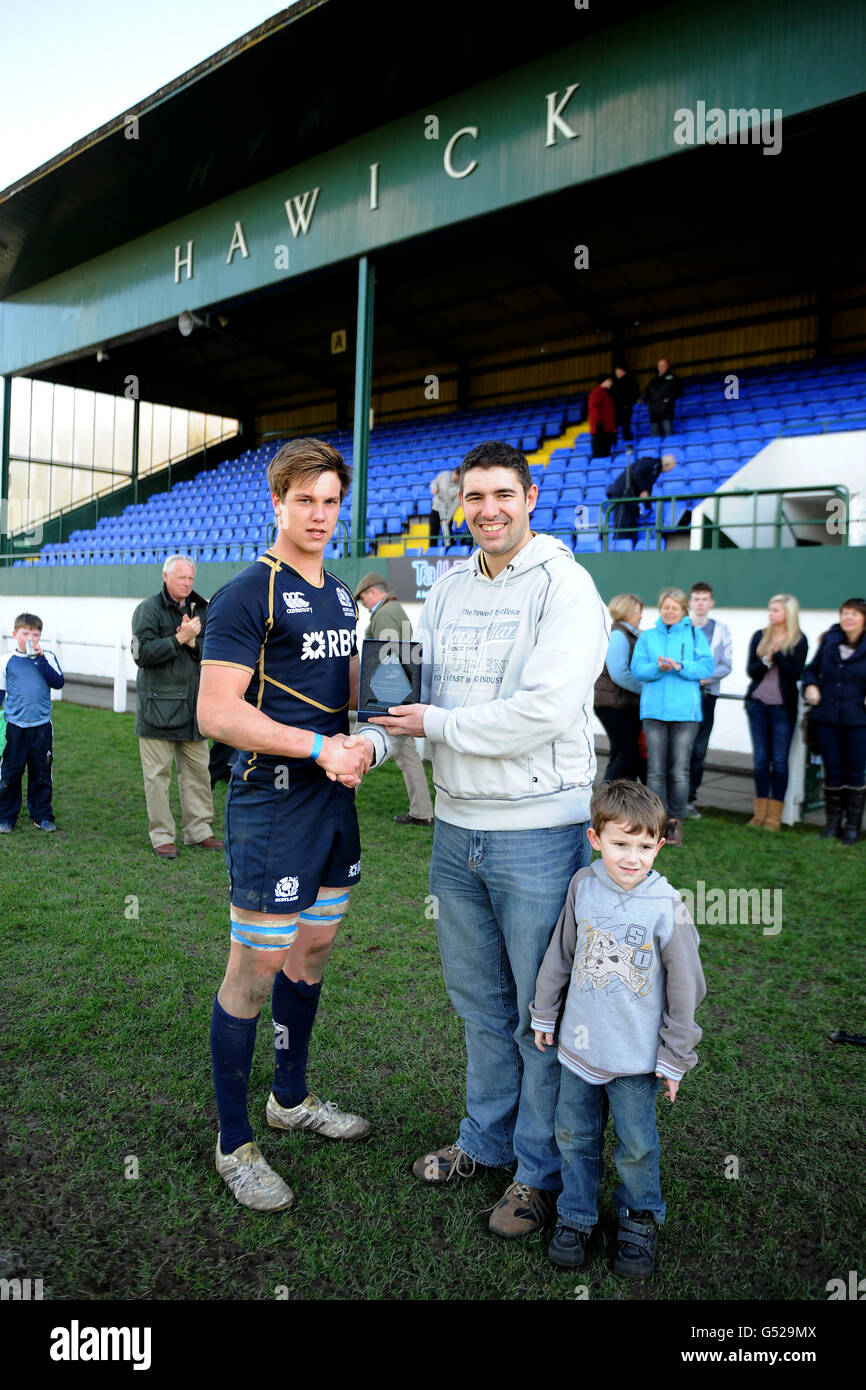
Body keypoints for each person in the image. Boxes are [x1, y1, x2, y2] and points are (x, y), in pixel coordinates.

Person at [364, 440, 609, 1239]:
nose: (488, 510)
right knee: (479, 1007)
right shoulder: (449, 587)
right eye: (474, 497)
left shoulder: (568, 587)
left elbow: (540, 711)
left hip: (538, 831)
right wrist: (363, 745)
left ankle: (538, 1175)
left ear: (531, 496)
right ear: (459, 504)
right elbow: (411, 691)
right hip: (456, 827)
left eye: (503, 494)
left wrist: (432, 724)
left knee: (541, 1014)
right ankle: (486, 1142)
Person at [198, 437, 379, 1213]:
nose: (318, 514)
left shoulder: (342, 596)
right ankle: (234, 1142)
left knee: (315, 949)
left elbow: (346, 696)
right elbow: (217, 711)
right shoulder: (249, 594)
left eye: (330, 501)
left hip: (333, 803)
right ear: (276, 503)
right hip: (273, 801)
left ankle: (291, 1099)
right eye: (303, 499)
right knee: (257, 966)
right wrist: (316, 746)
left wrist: (366, 738)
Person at [530, 780, 705, 1277]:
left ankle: (637, 1219)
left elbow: (687, 988)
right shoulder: (582, 885)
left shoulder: (667, 905)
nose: (632, 857)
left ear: (660, 845)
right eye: (620, 843)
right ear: (594, 838)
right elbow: (561, 953)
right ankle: (576, 1216)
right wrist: (545, 1012)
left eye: (644, 846)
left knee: (636, 1146)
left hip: (636, 1059)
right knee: (574, 1135)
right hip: (579, 1051)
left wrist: (676, 1057)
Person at [131, 555, 223, 859]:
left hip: (194, 710)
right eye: (181, 577)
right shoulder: (147, 610)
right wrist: (177, 639)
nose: (187, 583)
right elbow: (141, 654)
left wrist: (193, 642)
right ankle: (161, 836)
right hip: (156, 710)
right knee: (157, 776)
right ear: (165, 576)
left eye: (190, 578)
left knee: (198, 773)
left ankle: (199, 831)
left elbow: (214, 652)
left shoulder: (203, 609)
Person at [630, 588, 713, 846]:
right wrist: (658, 668)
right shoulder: (648, 636)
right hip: (654, 712)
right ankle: (656, 821)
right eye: (666, 607)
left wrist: (680, 666)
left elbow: (707, 667)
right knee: (655, 771)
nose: (669, 611)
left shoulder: (694, 634)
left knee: (678, 770)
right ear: (660, 608)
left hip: (685, 713)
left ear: (683, 610)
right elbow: (636, 669)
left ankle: (675, 822)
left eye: (674, 607)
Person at [354, 572, 434, 826]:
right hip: (397, 694)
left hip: (384, 697)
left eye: (363, 598)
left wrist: (376, 697)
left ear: (373, 592)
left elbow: (385, 658)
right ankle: (422, 811)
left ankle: (338, 804)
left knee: (357, 745)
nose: (363, 603)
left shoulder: (386, 613)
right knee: (407, 753)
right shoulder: (395, 609)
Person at [802, 597, 866, 845]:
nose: (848, 617)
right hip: (827, 717)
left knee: (854, 773)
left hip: (858, 720)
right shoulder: (830, 640)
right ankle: (832, 824)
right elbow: (811, 669)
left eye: (855, 614)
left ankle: (852, 828)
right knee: (833, 770)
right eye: (845, 613)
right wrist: (810, 685)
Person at [744, 594, 808, 832]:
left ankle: (774, 816)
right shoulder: (760, 636)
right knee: (761, 760)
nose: (771, 614)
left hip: (783, 708)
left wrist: (779, 654)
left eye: (776, 610)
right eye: (770, 609)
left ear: (787, 613)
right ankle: (759, 813)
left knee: (779, 761)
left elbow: (794, 673)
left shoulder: (799, 640)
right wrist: (766, 660)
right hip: (758, 704)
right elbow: (751, 671)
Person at [0, 612, 64, 833]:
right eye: (25, 633)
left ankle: (42, 815)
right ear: (15, 634)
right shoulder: (6, 661)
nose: (29, 638)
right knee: (10, 773)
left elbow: (58, 682)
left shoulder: (47, 657)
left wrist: (39, 659)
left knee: (41, 773)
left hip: (41, 727)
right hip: (15, 728)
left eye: (35, 634)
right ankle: (6, 817)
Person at [685, 582, 733, 819]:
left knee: (698, 749)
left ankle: (689, 798)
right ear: (690, 602)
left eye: (705, 599)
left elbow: (726, 663)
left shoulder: (721, 630)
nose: (700, 603)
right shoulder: (681, 627)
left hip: (706, 696)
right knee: (678, 748)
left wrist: (707, 677)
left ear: (711, 602)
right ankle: (671, 798)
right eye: (696, 599)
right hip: (681, 695)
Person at [594, 594, 645, 783]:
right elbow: (619, 674)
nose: (640, 616)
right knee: (628, 753)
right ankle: (607, 800)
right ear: (626, 611)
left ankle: (617, 802)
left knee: (620, 751)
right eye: (638, 611)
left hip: (620, 703)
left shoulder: (629, 633)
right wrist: (646, 690)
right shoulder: (618, 635)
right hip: (612, 705)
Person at [606, 453, 676, 545]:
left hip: (630, 497)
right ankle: (621, 548)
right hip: (622, 494)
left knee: (632, 524)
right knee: (623, 524)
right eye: (670, 468)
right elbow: (637, 473)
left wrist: (647, 506)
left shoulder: (655, 468)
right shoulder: (652, 463)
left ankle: (631, 547)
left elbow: (647, 488)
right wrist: (643, 490)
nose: (668, 471)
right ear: (666, 464)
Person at [642, 357, 684, 436]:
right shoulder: (653, 381)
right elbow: (646, 394)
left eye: (663, 365)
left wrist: (669, 399)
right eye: (659, 366)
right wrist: (649, 403)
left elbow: (679, 390)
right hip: (654, 412)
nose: (661, 367)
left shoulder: (673, 378)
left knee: (668, 435)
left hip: (666, 411)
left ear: (667, 366)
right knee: (654, 438)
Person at [428, 466, 460, 546]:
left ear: (460, 478)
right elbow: (434, 482)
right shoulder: (444, 475)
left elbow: (454, 507)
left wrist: (446, 520)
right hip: (436, 509)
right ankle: (433, 553)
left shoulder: (460, 489)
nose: (453, 479)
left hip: (446, 513)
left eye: (456, 479)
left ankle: (446, 553)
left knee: (447, 537)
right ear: (453, 473)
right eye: (453, 476)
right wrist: (433, 487)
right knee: (433, 534)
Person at [587, 376, 617, 458]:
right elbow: (594, 408)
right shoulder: (596, 393)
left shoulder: (608, 394)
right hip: (600, 430)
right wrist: (597, 422)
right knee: (599, 454)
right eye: (609, 381)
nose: (611, 383)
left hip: (608, 430)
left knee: (606, 453)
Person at [611, 364, 640, 442]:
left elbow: (635, 394)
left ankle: (628, 444)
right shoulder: (614, 383)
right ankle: (614, 445)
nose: (617, 374)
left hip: (625, 409)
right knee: (614, 429)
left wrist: (627, 404)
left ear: (623, 371)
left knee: (625, 427)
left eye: (618, 372)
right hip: (616, 410)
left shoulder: (631, 380)